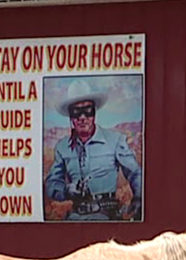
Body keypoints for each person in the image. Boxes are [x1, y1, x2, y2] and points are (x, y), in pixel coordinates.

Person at [44, 78, 144, 221]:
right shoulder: (62, 147)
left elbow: (135, 173)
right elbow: (51, 184)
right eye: (76, 112)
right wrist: (67, 190)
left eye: (87, 111)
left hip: (108, 217)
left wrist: (139, 197)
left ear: (94, 113)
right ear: (71, 117)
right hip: (75, 218)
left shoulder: (115, 140)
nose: (82, 118)